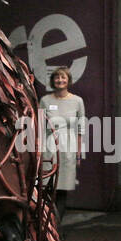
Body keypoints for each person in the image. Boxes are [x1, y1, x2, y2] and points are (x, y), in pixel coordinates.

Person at [38, 66, 85, 222]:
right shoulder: (45, 100)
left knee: (62, 188)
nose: (60, 80)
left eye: (63, 77)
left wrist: (79, 153)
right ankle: (47, 226)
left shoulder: (77, 101)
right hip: (48, 148)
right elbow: (39, 127)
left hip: (68, 150)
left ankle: (56, 226)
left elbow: (81, 128)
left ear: (68, 80)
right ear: (53, 81)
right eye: (57, 77)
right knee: (47, 189)